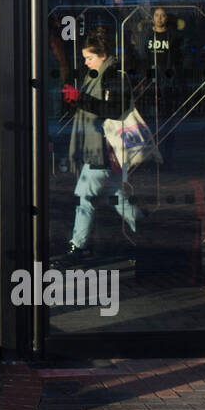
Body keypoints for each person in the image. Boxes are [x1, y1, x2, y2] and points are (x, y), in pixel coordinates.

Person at [61, 26, 140, 259]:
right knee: (118, 197)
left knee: (85, 198)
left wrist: (81, 100)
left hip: (103, 149)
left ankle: (79, 244)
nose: (86, 63)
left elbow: (114, 110)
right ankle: (144, 228)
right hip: (102, 149)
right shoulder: (100, 74)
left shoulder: (113, 75)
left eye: (90, 58)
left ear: (103, 55)